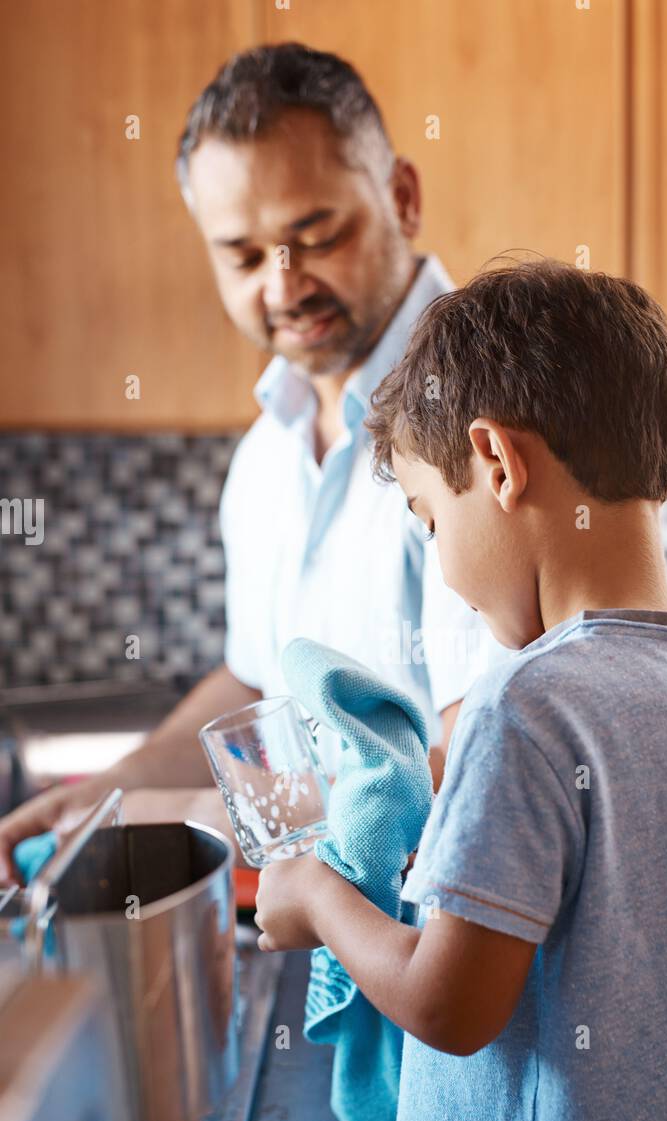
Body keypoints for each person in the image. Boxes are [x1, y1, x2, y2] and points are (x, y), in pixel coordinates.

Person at [252, 258, 667, 1121]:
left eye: (427, 517)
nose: (438, 555)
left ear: (493, 461)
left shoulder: (522, 703)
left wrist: (314, 893)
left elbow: (451, 1006)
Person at [0, 43, 503, 878]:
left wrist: (204, 814)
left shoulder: (481, 424)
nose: (282, 285)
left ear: (403, 198)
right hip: (325, 963)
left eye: (317, 235)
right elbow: (255, 682)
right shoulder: (266, 453)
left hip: (444, 969)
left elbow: (479, 758)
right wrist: (113, 796)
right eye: (240, 255)